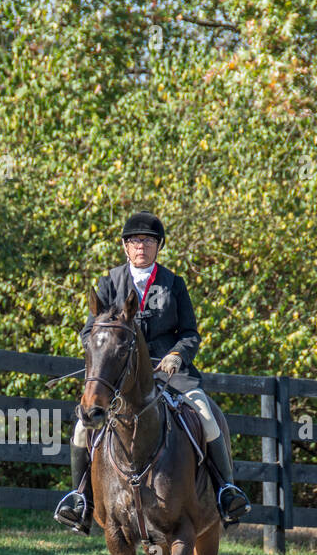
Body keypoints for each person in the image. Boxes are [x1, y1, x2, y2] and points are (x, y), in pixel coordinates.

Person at [55, 211, 250, 534]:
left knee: (205, 414)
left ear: (158, 246)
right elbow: (90, 331)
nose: (140, 246)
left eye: (147, 240)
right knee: (81, 428)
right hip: (121, 377)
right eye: (134, 241)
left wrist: (176, 354)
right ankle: (80, 501)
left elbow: (190, 333)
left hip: (169, 372)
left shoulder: (174, 284)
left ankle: (225, 491)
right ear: (125, 247)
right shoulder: (109, 283)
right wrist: (104, 349)